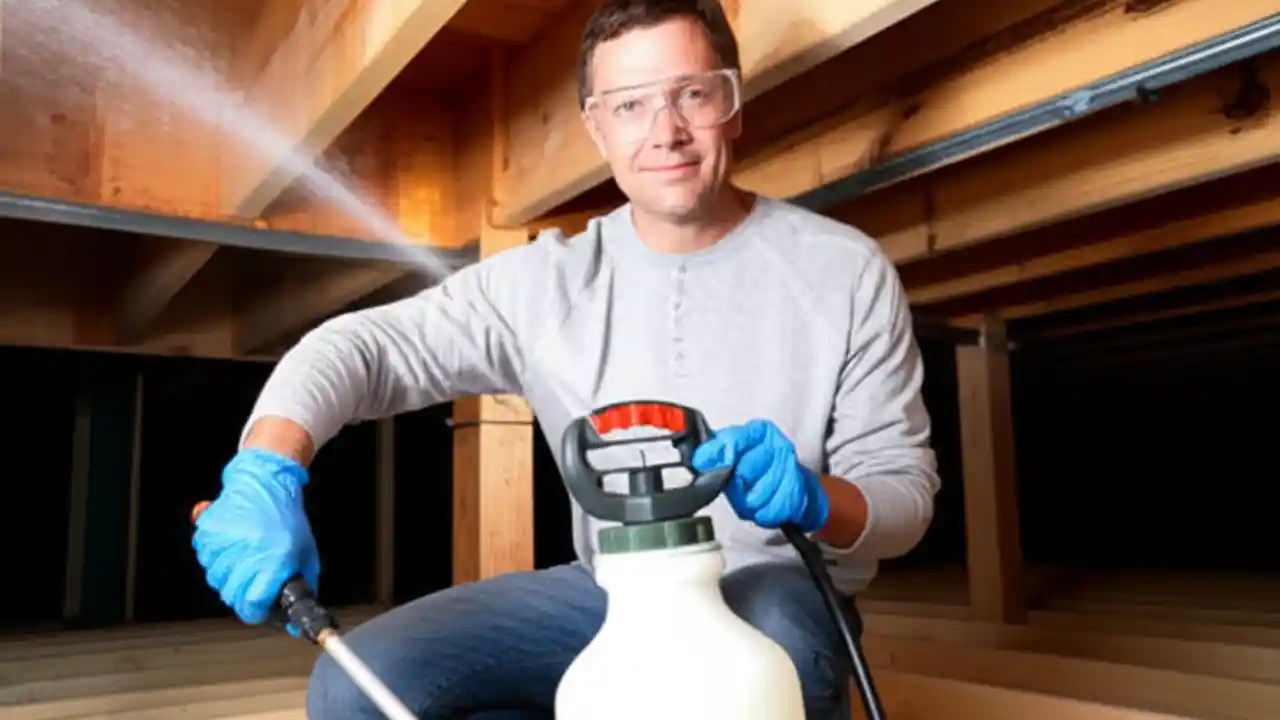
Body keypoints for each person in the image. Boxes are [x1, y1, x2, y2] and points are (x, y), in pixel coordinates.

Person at [191, 0, 939, 717]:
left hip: (776, 593)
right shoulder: (549, 284)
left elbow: (904, 496)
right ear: (596, 126)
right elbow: (361, 349)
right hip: (613, 592)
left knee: (763, 660)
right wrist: (268, 469)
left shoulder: (842, 272)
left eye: (693, 95)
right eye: (630, 105)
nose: (666, 131)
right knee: (354, 690)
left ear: (734, 104)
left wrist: (815, 497)